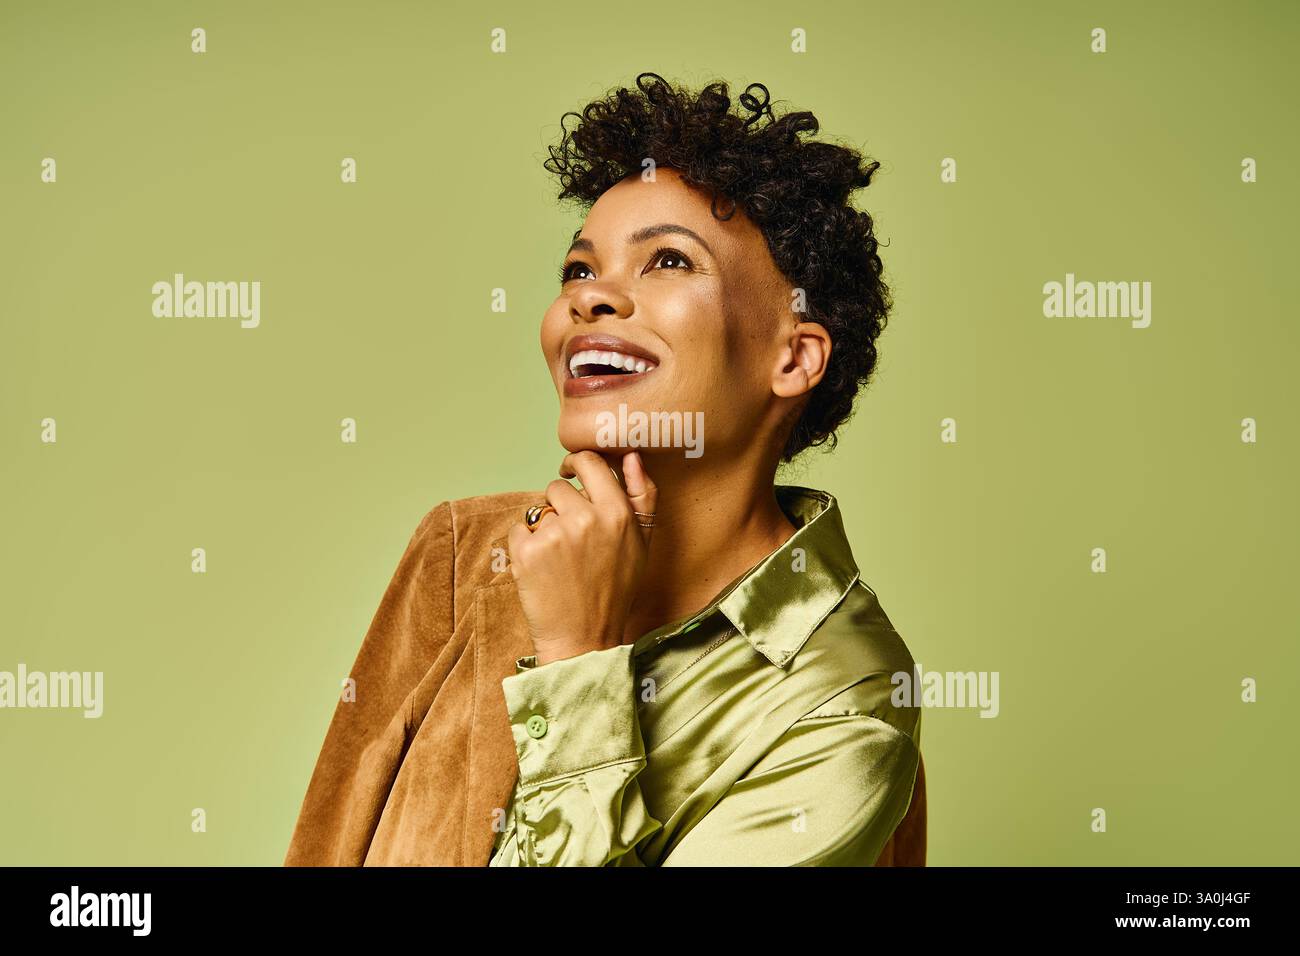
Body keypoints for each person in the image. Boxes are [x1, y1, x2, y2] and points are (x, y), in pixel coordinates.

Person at [284, 72, 926, 867]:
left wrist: (580, 662)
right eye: (579, 271)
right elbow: (327, 842)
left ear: (792, 358)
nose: (591, 300)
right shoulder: (460, 556)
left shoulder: (842, 703)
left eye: (666, 260)